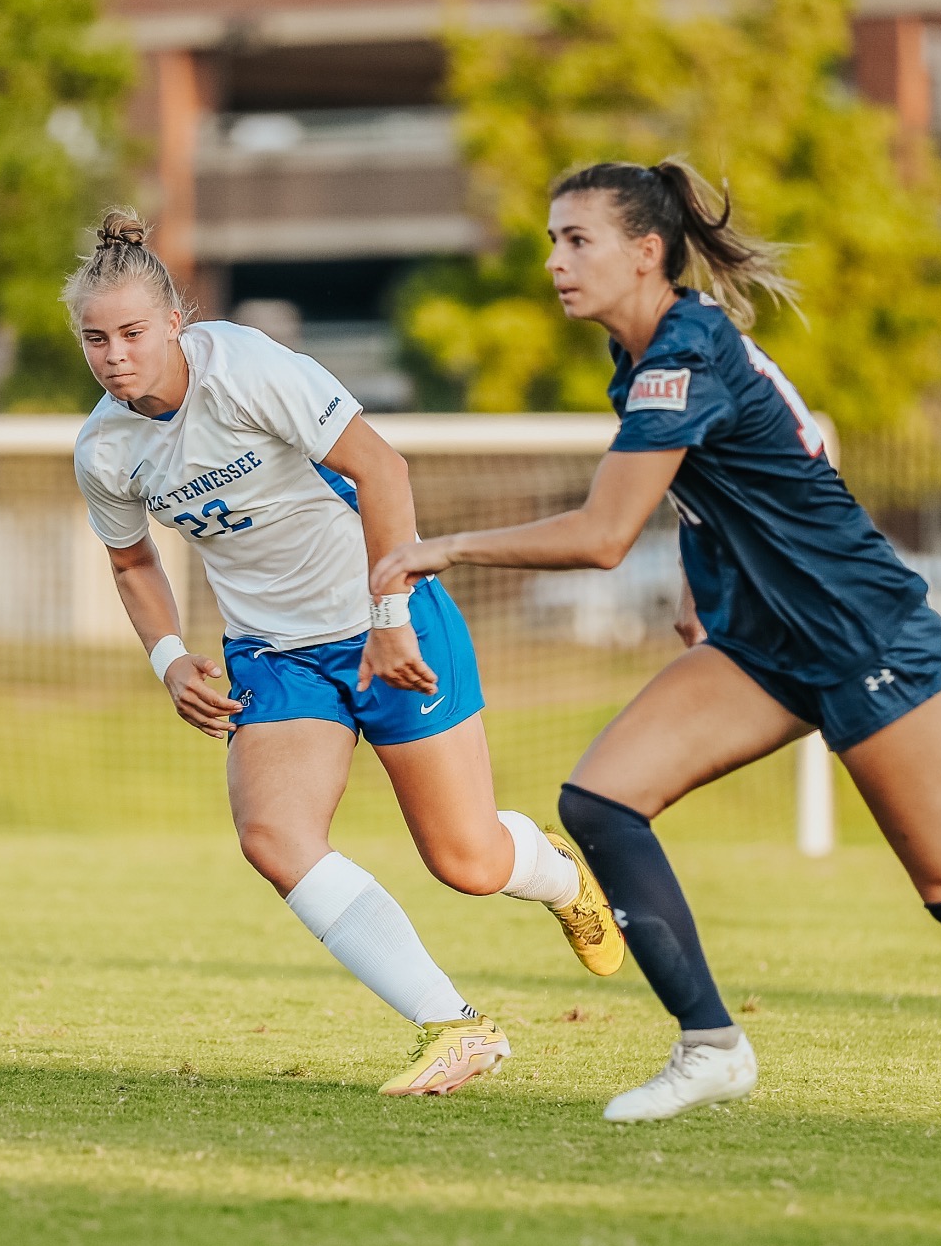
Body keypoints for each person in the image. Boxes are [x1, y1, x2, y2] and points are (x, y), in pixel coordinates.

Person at [370, 161, 941, 1160]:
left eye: (576, 239)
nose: (554, 259)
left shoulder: (680, 356)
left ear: (647, 252)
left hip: (865, 638)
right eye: (553, 239)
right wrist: (701, 600)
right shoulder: (647, 353)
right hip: (767, 642)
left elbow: (606, 535)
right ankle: (710, 1044)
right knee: (601, 801)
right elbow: (713, 486)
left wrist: (442, 546)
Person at [67, 211, 623, 1096]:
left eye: (133, 332)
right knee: (273, 836)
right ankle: (454, 1026)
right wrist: (169, 658)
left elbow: (384, 471)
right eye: (96, 339)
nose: (116, 355)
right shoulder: (104, 449)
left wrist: (391, 614)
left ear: (175, 320)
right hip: (275, 655)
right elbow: (132, 560)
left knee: (467, 862)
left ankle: (556, 874)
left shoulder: (246, 369)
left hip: (385, 621)